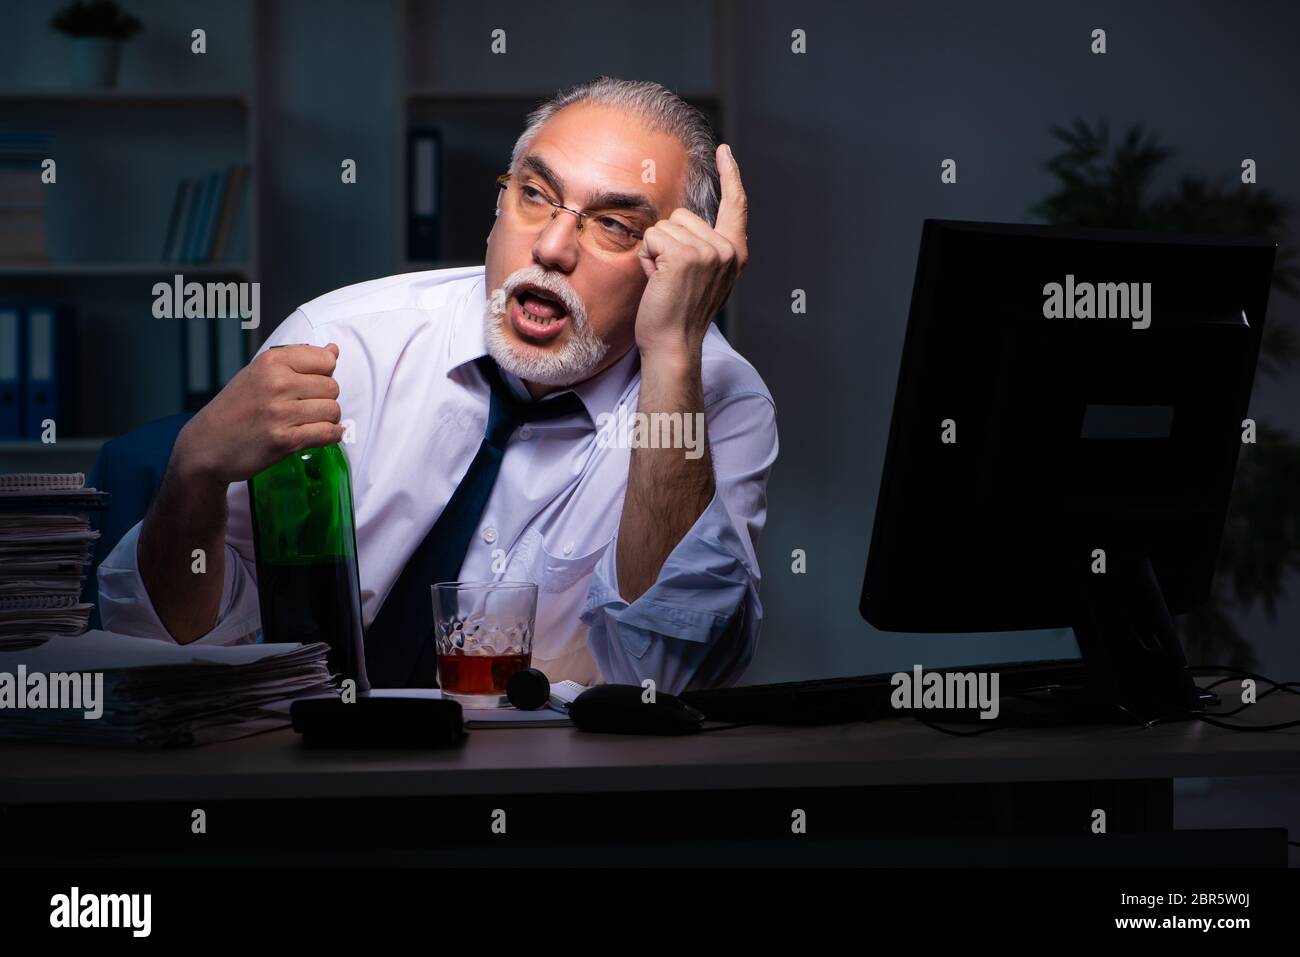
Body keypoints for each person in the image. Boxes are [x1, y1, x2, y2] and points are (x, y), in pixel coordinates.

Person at [98, 77, 778, 694]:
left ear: (672, 266)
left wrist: (672, 352)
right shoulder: (339, 343)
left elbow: (669, 673)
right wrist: (193, 470)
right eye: (534, 195)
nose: (551, 248)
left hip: (541, 781)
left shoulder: (717, 395)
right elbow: (169, 641)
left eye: (614, 225)